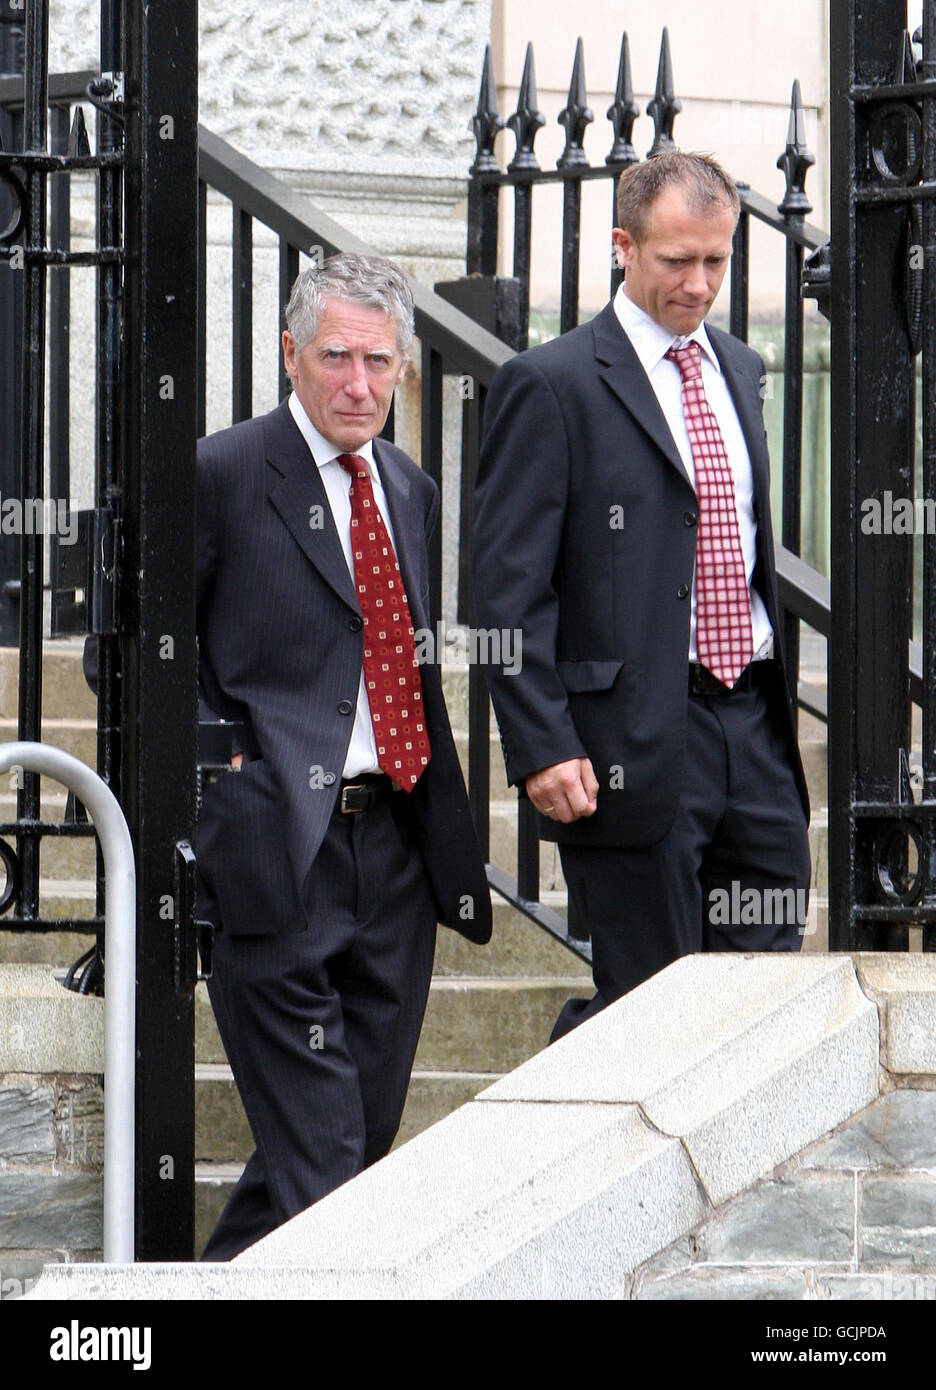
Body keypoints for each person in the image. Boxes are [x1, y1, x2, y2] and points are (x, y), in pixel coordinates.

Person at [473, 151, 809, 1042]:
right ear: (622, 247)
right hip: (628, 747)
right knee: (651, 1019)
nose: (699, 285)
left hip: (756, 735)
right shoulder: (552, 384)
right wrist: (541, 744)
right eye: (676, 262)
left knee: (759, 1013)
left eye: (717, 262)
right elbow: (507, 588)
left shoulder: (740, 369)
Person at [196, 252, 491, 1259]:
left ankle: (203, 1294)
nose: (359, 384)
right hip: (281, 846)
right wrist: (230, 770)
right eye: (336, 359)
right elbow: (143, 655)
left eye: (380, 361)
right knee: (324, 1146)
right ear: (291, 353)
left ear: (405, 365)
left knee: (355, 1139)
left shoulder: (407, 487)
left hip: (395, 850)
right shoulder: (226, 471)